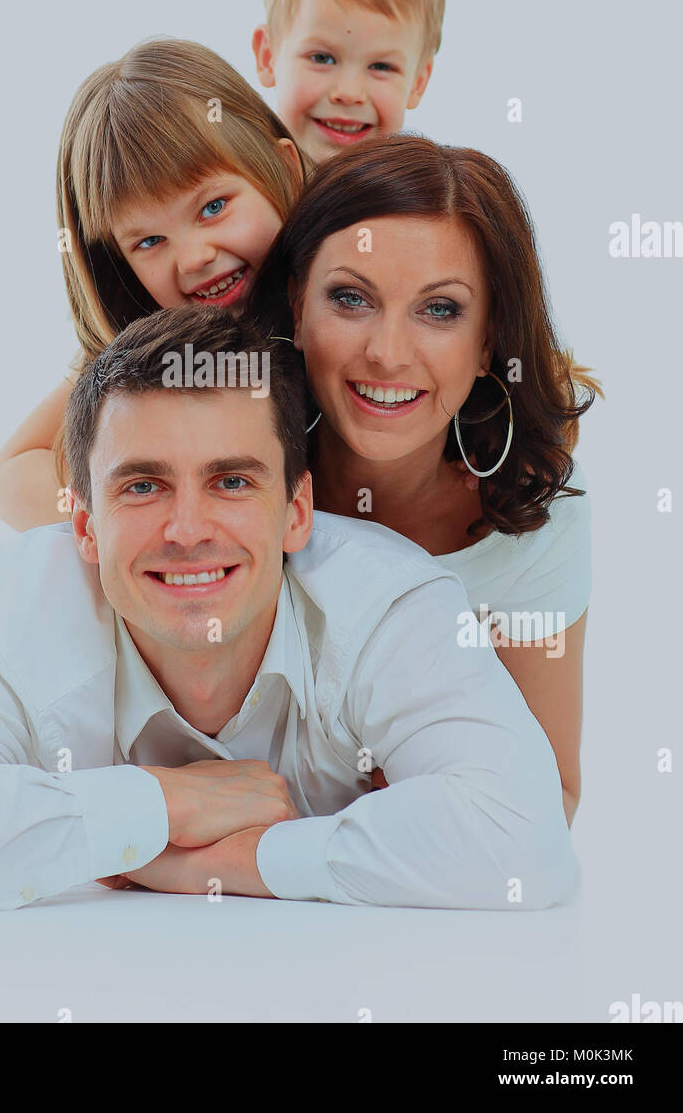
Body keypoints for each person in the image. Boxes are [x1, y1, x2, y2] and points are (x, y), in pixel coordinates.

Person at [0, 306, 576, 916]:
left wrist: (221, 865)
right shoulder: (25, 601)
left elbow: (526, 845)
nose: (186, 531)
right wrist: (161, 803)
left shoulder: (384, 604)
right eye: (142, 485)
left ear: (296, 511)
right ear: (82, 522)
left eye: (232, 482)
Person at [247, 134, 602, 825]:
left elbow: (548, 798)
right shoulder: (231, 456)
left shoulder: (536, 516)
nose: (385, 353)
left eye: (439, 310)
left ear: (489, 339)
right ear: (296, 303)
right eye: (350, 298)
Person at [0, 37, 307, 530]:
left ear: (283, 168)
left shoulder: (345, 280)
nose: (195, 258)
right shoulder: (147, 344)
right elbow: (10, 477)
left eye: (213, 207)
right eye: (151, 241)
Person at [252, 0, 444, 163]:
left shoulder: (425, 200)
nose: (349, 93)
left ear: (418, 82)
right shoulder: (233, 188)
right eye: (322, 58)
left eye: (381, 66)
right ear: (268, 57)